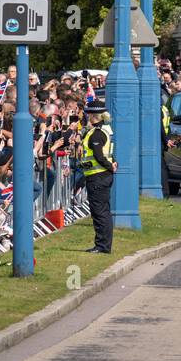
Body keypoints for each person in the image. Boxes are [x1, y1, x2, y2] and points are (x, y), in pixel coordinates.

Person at [80, 100, 117, 254]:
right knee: (102, 211)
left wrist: (110, 166)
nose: (86, 116)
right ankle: (103, 245)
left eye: (88, 113)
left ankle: (102, 246)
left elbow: (99, 156)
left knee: (100, 212)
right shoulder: (101, 131)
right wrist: (113, 164)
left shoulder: (96, 134)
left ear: (93, 115)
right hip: (100, 176)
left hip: (98, 177)